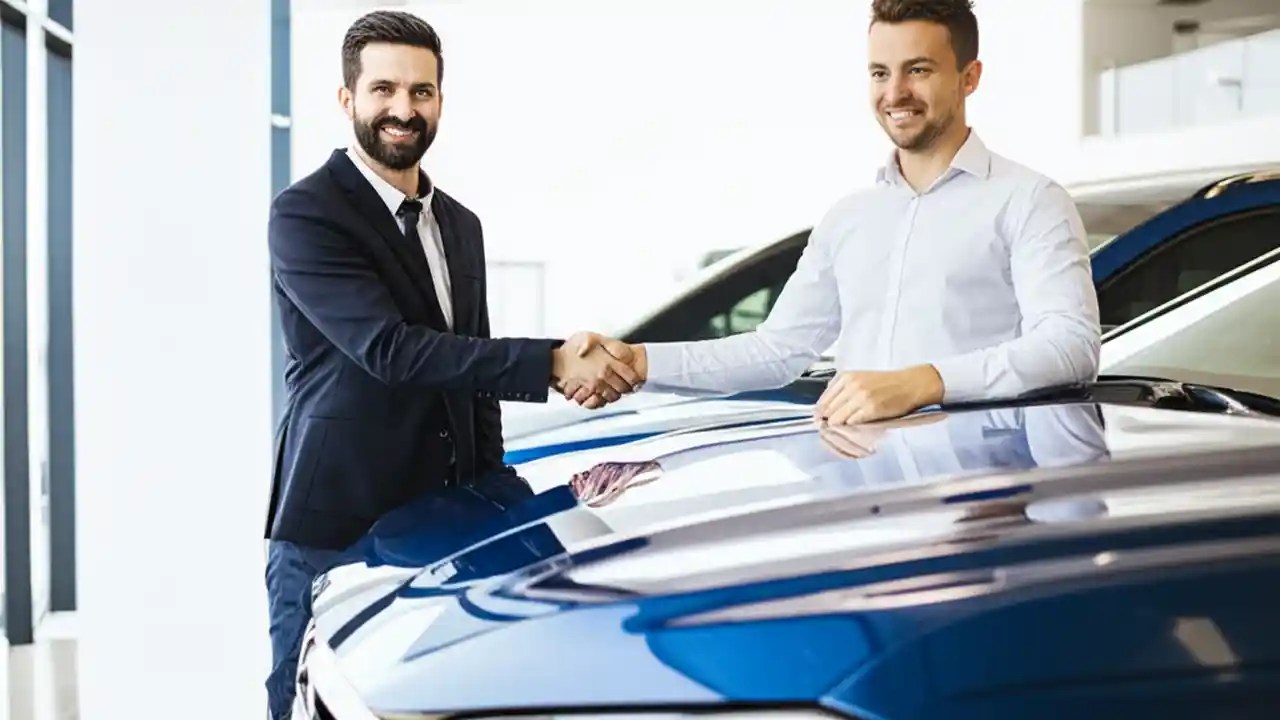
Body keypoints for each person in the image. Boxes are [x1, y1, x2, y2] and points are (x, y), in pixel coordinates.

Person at [262, 11, 639, 718]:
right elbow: (389, 350)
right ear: (348, 100)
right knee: (306, 700)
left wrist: (504, 490)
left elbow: (469, 374)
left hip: (447, 520)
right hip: (337, 523)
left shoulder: (459, 223)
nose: (404, 110)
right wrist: (553, 362)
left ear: (440, 98)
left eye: (422, 91)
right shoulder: (305, 214)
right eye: (384, 90)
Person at [566, 0, 1100, 424]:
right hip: (858, 495)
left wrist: (924, 380)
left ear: (970, 76)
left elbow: (1070, 346)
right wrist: (640, 363)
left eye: (918, 70)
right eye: (878, 73)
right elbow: (778, 349)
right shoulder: (850, 217)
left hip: (979, 504)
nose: (895, 93)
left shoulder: (1030, 200)